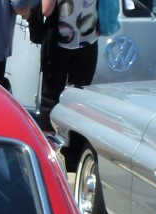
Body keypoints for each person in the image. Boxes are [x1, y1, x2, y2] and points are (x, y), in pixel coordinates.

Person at [37, 0, 99, 130]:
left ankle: (49, 144)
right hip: (88, 39)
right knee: (79, 99)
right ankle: (73, 145)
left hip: (60, 40)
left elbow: (46, 10)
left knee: (50, 99)